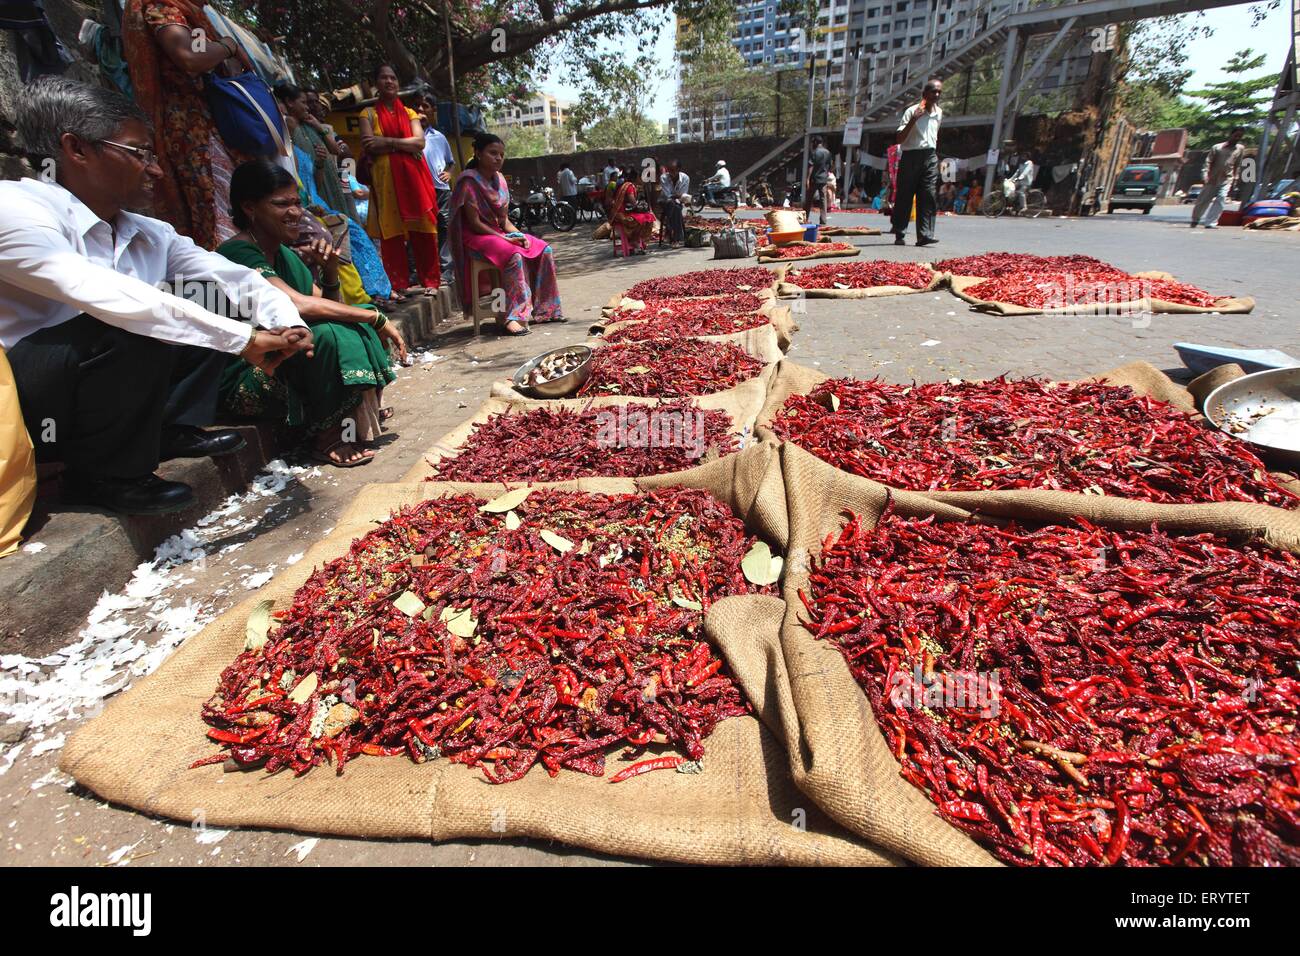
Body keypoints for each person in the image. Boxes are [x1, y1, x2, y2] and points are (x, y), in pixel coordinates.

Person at [0, 77, 311, 514]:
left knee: (205, 297)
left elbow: (230, 277)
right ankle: (101, 475)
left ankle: (168, 426)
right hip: (35, 399)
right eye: (138, 153)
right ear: (76, 150)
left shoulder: (147, 231)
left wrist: (285, 322)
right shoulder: (16, 208)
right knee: (124, 319)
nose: (156, 169)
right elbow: (103, 294)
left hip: (97, 380)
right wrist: (241, 339)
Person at [220, 161, 405, 467]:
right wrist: (376, 318)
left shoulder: (284, 255)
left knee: (358, 313)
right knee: (331, 333)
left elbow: (330, 304)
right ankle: (328, 437)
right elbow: (298, 305)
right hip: (249, 371)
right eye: (281, 204)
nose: (294, 213)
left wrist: (329, 270)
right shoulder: (237, 253)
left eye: (297, 203)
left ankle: (358, 408)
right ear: (249, 207)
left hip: (284, 353)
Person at [122, 0, 260, 249]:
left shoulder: (189, 15)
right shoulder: (163, 7)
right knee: (217, 214)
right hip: (191, 133)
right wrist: (227, 46)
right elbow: (191, 58)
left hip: (207, 128)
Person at [447, 132, 564, 336]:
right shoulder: (468, 181)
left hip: (497, 234)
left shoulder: (500, 180)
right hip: (476, 237)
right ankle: (513, 317)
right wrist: (505, 239)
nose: (498, 158)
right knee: (514, 255)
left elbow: (504, 221)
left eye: (501, 154)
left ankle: (547, 310)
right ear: (478, 153)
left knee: (544, 248)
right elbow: (474, 224)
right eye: (493, 153)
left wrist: (519, 236)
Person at [359, 64, 441, 294]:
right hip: (385, 182)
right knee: (391, 233)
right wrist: (403, 144)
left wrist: (387, 143)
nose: (389, 82)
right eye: (384, 78)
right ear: (376, 83)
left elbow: (419, 142)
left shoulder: (410, 113)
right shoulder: (367, 114)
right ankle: (398, 285)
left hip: (414, 180)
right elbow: (368, 144)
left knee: (424, 230)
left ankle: (431, 282)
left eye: (393, 78)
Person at [892, 77, 943, 247]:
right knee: (905, 195)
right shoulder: (911, 111)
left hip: (929, 156)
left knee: (928, 194)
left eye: (939, 92)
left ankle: (924, 234)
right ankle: (899, 231)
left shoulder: (939, 113)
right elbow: (899, 138)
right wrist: (914, 119)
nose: (936, 95)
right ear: (924, 94)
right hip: (910, 156)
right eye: (933, 91)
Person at [417, 94, 457, 281]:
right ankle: (421, 272)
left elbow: (451, 162)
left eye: (425, 106)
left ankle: (447, 269)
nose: (420, 111)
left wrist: (449, 173)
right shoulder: (408, 136)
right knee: (421, 229)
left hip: (441, 189)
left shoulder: (439, 137)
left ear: (433, 111)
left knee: (445, 226)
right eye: (417, 107)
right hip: (418, 189)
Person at [1191, 126, 1247, 229]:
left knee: (1221, 198)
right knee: (1203, 201)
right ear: (1231, 135)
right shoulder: (1217, 147)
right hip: (1212, 178)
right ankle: (1195, 219)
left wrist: (1235, 178)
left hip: (1226, 179)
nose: (1237, 138)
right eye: (1235, 135)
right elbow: (1208, 162)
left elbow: (1237, 165)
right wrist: (1205, 175)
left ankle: (1210, 222)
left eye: (1240, 136)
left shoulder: (1240, 149)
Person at [609, 166, 656, 256]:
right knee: (647, 217)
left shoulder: (628, 185)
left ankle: (634, 240)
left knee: (646, 216)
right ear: (638, 177)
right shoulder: (629, 186)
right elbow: (634, 203)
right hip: (621, 216)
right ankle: (634, 240)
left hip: (620, 214)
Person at [658, 159, 690, 245]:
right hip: (664, 202)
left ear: (679, 169)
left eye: (673, 170)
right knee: (672, 204)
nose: (671, 173)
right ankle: (677, 237)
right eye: (669, 170)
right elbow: (667, 195)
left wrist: (678, 197)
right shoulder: (664, 177)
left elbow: (683, 195)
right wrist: (678, 196)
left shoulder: (685, 178)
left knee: (675, 207)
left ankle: (670, 231)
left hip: (677, 203)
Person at [804, 135, 833, 225]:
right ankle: (823, 220)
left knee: (809, 200)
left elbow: (811, 166)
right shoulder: (827, 152)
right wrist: (826, 173)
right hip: (823, 180)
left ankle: (805, 218)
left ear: (816, 142)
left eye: (813, 142)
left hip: (814, 179)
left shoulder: (815, 152)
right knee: (823, 200)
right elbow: (831, 165)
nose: (812, 144)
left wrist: (807, 179)